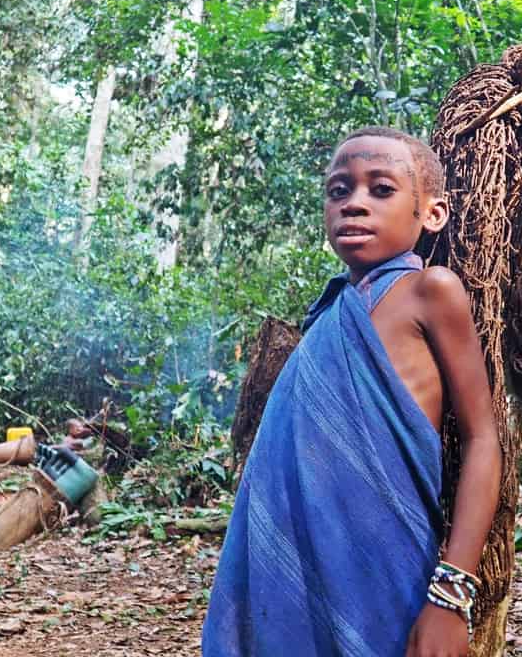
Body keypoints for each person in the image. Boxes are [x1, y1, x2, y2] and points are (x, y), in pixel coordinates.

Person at [201, 127, 502, 657]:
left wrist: (452, 593)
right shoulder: (325, 318)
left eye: (381, 190)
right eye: (339, 191)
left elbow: (482, 439)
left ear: (431, 213)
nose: (355, 204)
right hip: (297, 568)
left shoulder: (431, 291)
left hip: (390, 566)